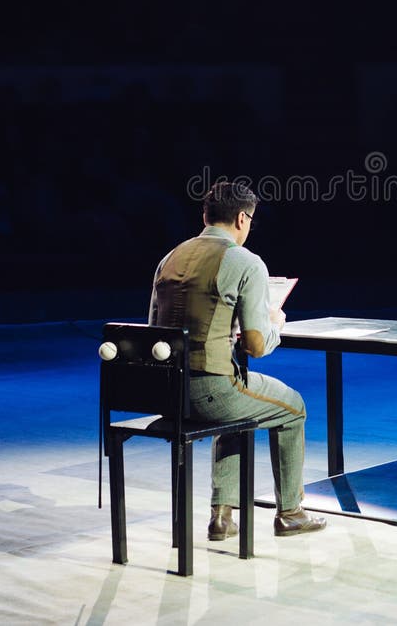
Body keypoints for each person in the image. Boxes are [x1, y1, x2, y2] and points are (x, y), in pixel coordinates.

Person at [148, 180, 326, 539]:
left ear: (205, 215)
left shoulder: (169, 258)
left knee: (241, 408)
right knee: (293, 407)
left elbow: (155, 330)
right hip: (210, 391)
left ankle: (223, 516)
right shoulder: (246, 262)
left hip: (166, 393)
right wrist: (274, 323)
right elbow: (257, 347)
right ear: (243, 219)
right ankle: (290, 511)